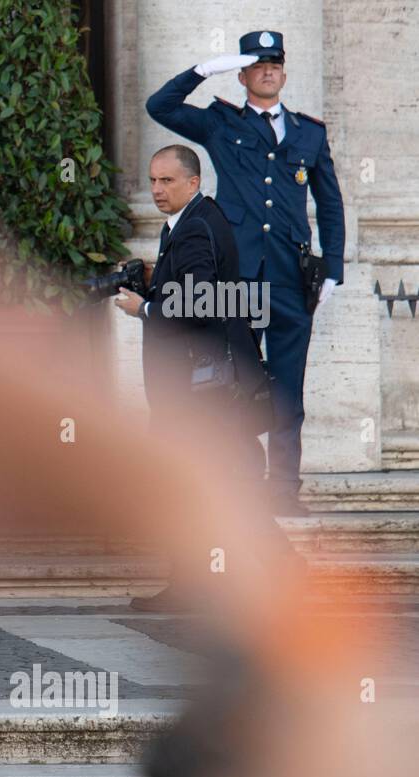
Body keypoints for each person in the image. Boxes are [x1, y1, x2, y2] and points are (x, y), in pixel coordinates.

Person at [146, 31, 346, 516]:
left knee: (286, 386)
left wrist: (334, 267)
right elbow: (160, 106)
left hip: (289, 277)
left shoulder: (308, 133)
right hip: (235, 279)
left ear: (283, 70)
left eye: (274, 62)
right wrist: (204, 68)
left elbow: (330, 201)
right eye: (257, 64)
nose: (267, 70)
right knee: (230, 380)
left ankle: (281, 490)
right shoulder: (220, 124)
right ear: (242, 74)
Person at [115, 144, 297, 612]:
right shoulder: (193, 221)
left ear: (193, 182)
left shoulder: (194, 228)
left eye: (167, 181)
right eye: (153, 181)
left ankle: (286, 575)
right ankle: (192, 585)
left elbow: (198, 305)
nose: (157, 190)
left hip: (204, 399)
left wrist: (146, 308)